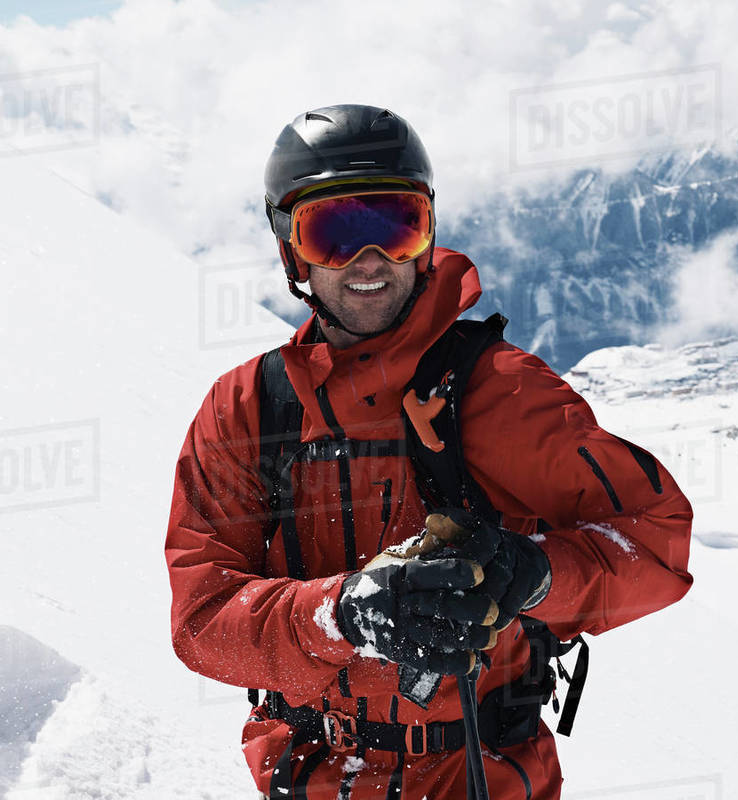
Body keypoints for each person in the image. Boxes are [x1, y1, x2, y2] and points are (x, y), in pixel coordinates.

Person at [164, 103, 694, 800]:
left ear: (427, 234)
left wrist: (535, 575)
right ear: (291, 249)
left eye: (395, 224)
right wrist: (343, 614)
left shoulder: (497, 391)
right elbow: (202, 624)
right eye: (332, 233)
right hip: (307, 777)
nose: (369, 260)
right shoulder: (250, 410)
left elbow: (654, 543)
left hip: (480, 776)